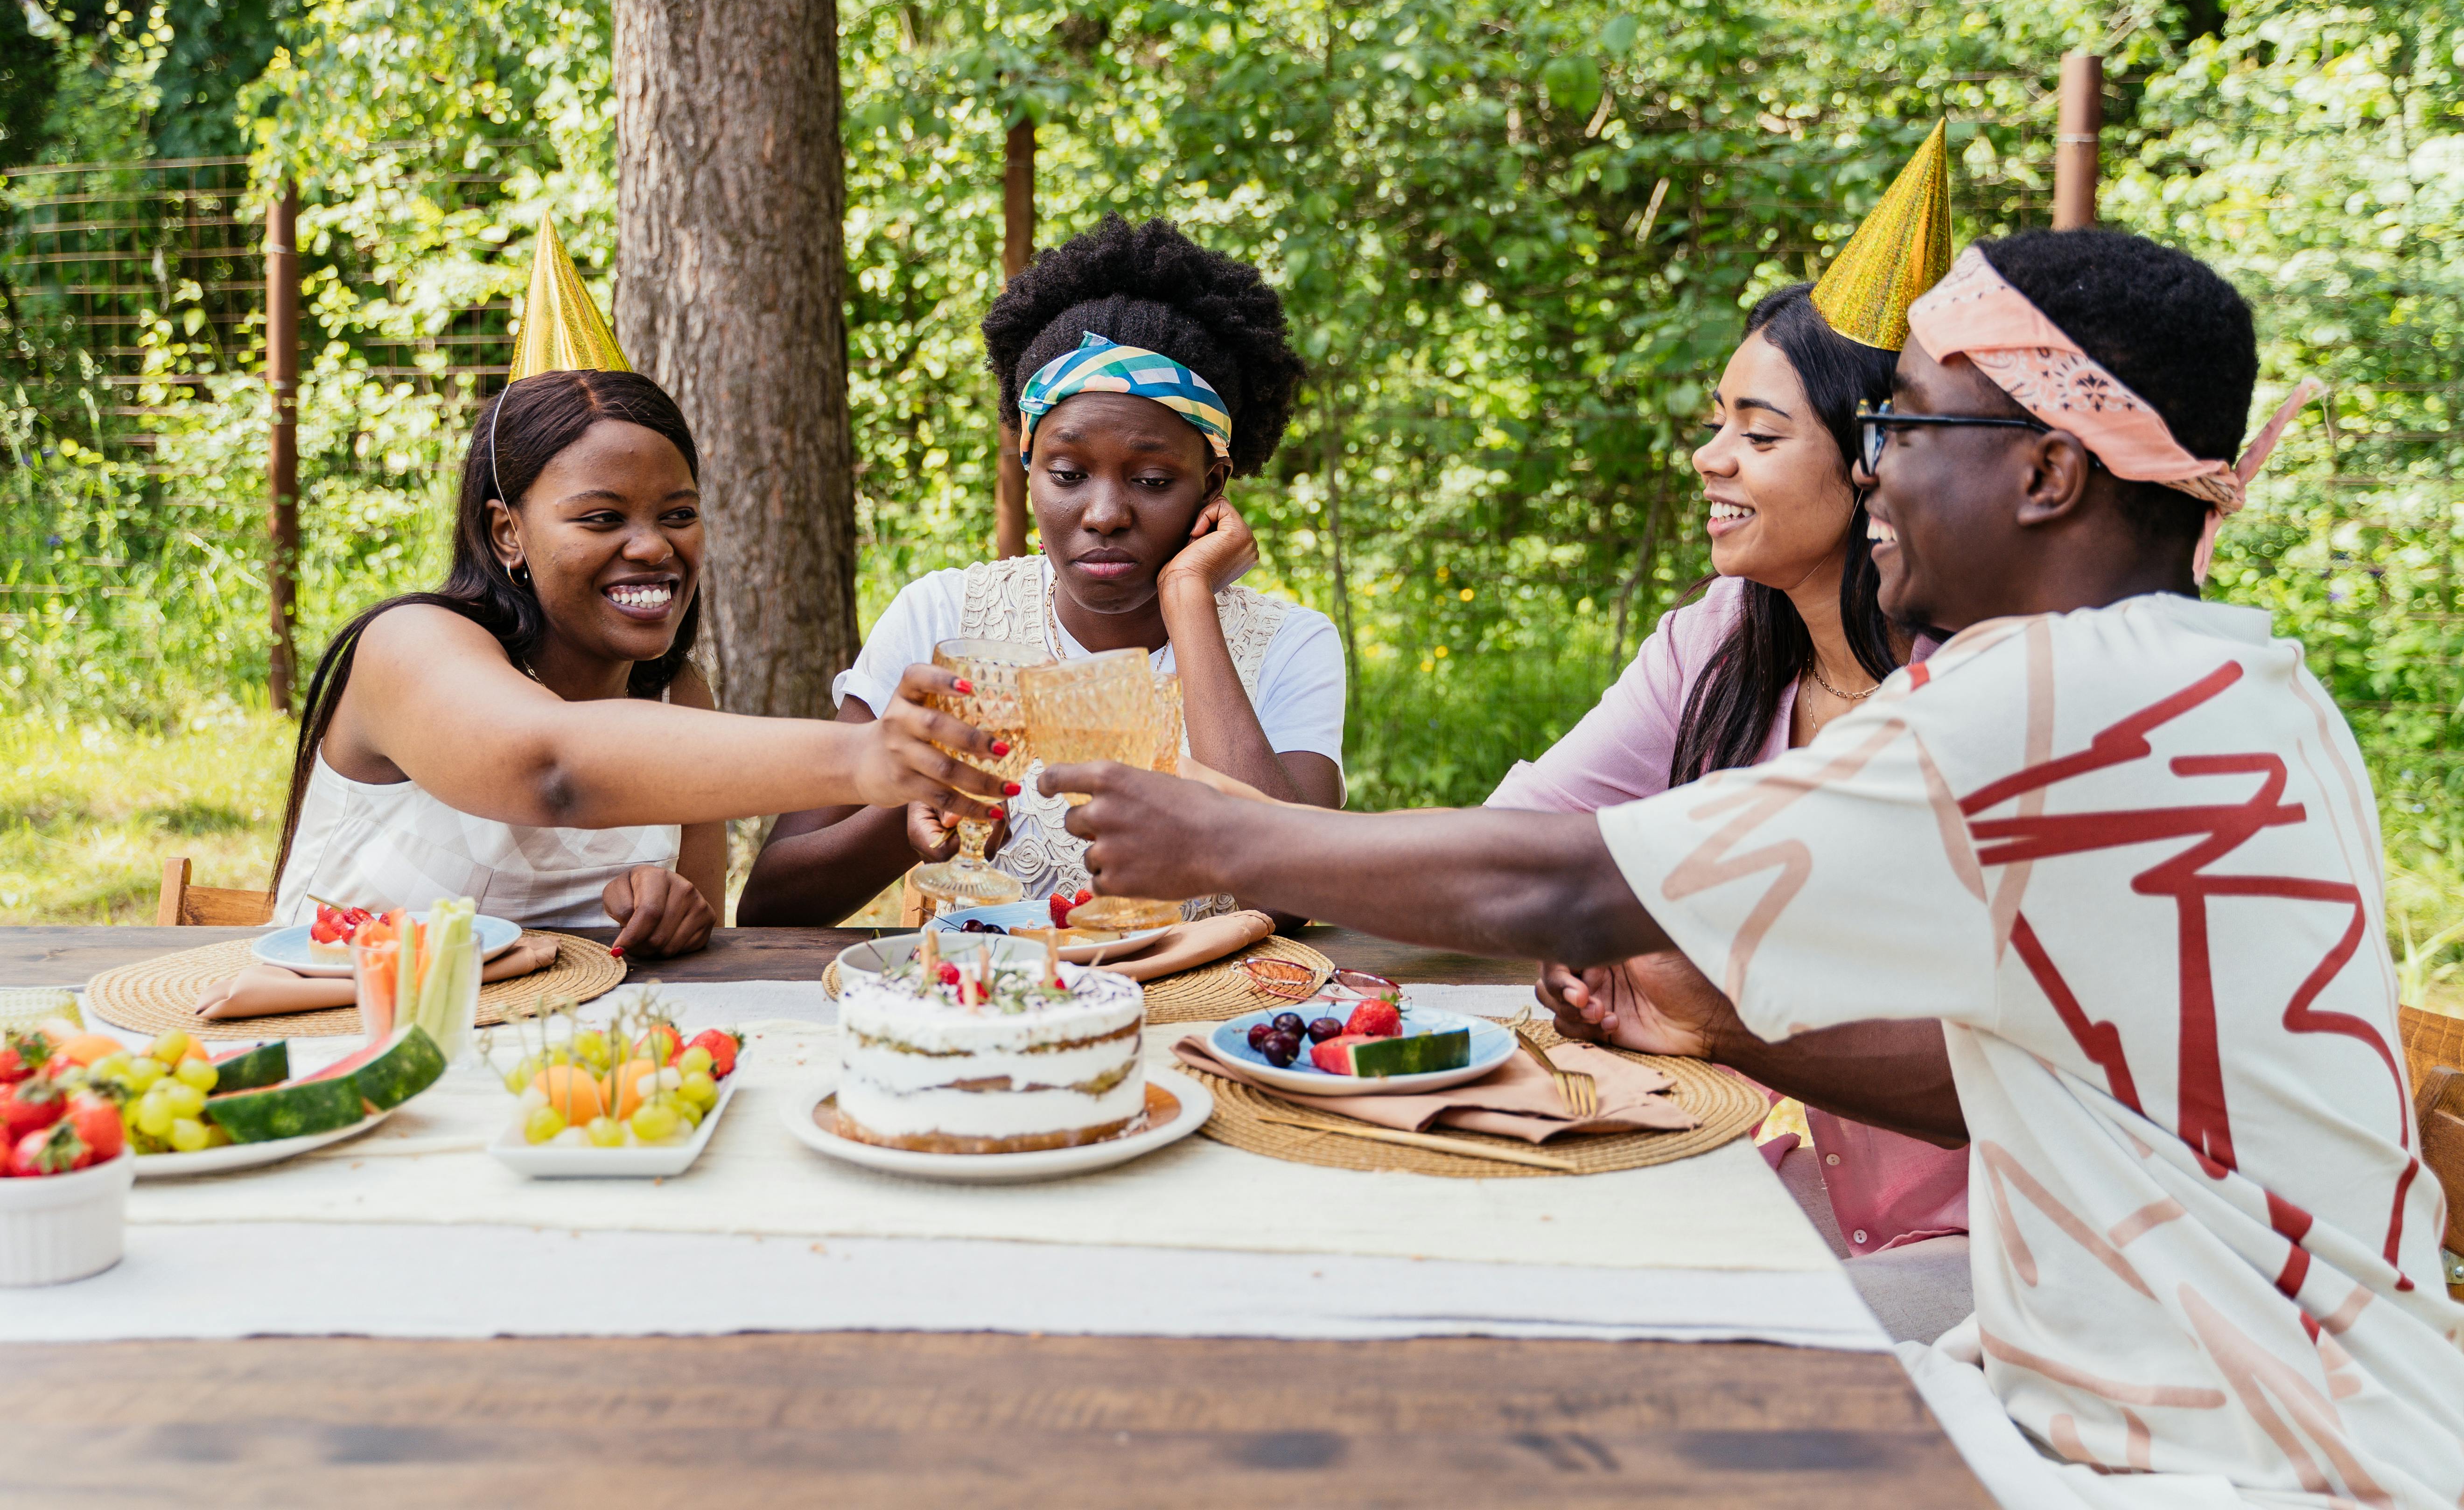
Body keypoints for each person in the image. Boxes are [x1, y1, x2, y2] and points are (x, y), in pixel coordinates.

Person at [1048, 230, 2464, 1506]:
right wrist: (1714, 1025)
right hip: (2256, 1387)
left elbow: (1568, 887)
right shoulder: (2245, 677)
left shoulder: (2031, 703)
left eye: (1904, 423)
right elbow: (2035, 1071)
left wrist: (1221, 833)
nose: (1873, 464)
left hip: (2246, 1446)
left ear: (2047, 472)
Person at [1491, 126, 1969, 1308]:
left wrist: (1703, 1015)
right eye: (1719, 422)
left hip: (1977, 1237)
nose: (1711, 458)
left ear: (1881, 464)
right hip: (1761, 1167)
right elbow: (1518, 835)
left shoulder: (1987, 692)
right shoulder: (1721, 637)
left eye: (1758, 435)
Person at [269, 222, 1005, 958]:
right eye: (602, 518)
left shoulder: (677, 696)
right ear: (506, 534)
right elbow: (551, 769)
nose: (655, 547)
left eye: (679, 515)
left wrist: (671, 911)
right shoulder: (409, 646)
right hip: (333, 1037)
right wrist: (865, 759)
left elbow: (706, 947)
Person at [737, 214, 1346, 926]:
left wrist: (1189, 600)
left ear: (1214, 485)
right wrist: (927, 800)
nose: (1105, 513)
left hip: (1202, 1029)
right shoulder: (943, 618)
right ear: (1029, 469)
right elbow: (770, 905)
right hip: (986, 1019)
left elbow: (1294, 896)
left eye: (1152, 480)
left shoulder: (1292, 645)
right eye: (1067, 473)